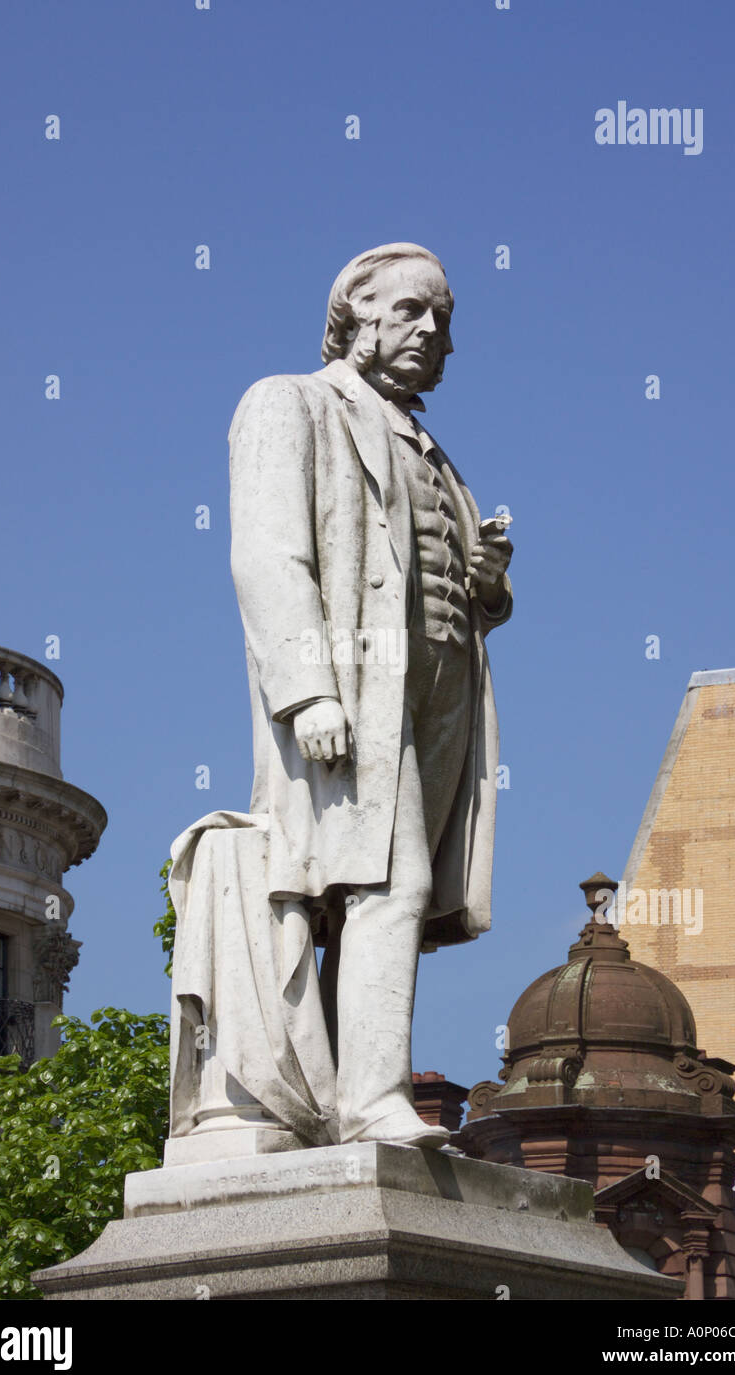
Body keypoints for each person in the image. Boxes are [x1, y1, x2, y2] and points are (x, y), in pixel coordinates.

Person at [169, 243, 513, 1154]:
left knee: (389, 890)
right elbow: (269, 556)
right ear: (356, 317)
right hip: (350, 694)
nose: (432, 332)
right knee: (385, 880)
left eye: (443, 319)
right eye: (410, 311)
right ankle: (370, 1101)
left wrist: (486, 585)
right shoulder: (291, 403)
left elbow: (436, 576)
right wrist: (308, 691)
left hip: (436, 695)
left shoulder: (435, 451)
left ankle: (340, 1095)